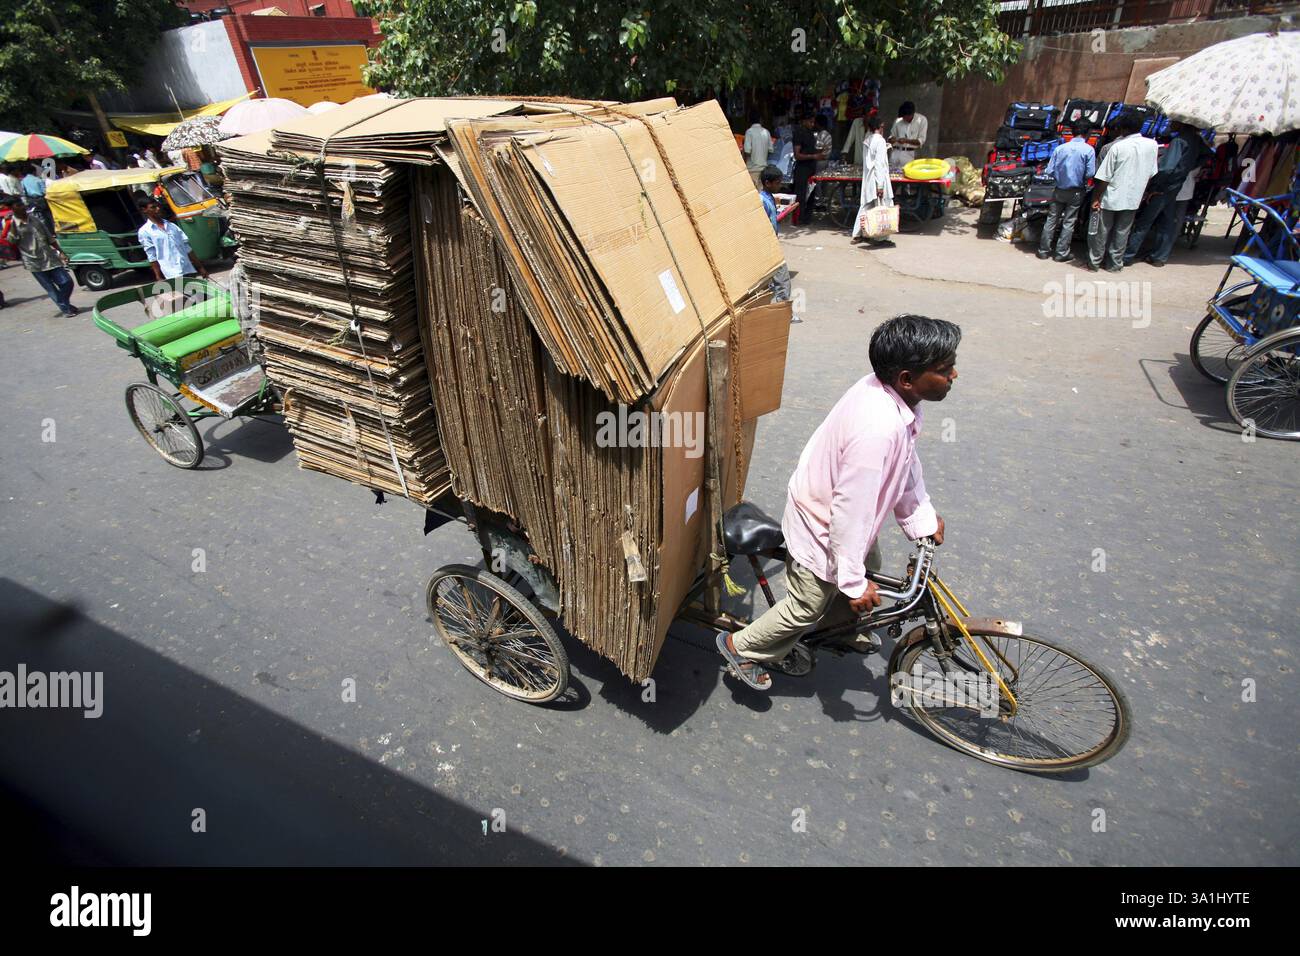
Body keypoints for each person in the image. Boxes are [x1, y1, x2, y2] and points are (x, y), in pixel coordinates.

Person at [716, 314, 957, 690]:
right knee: (807, 603)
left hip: (845, 519)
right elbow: (849, 511)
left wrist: (920, 518)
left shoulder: (891, 396)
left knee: (868, 563)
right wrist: (851, 582)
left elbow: (904, 465)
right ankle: (742, 646)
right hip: (822, 523)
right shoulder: (877, 427)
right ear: (907, 378)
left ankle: (840, 631)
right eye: (945, 370)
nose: (953, 376)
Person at [1123, 123, 1208, 267]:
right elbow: (1206, 155)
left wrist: (1155, 187)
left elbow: (1167, 168)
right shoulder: (1196, 140)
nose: (1169, 124)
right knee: (1167, 222)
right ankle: (1159, 256)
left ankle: (1127, 256)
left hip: (1165, 186)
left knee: (1145, 222)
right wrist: (1187, 168)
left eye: (1172, 122)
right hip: (1176, 185)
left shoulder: (1179, 141)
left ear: (1182, 124)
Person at [1086, 113, 1157, 272]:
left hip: (1111, 197)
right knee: (1122, 233)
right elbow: (1152, 173)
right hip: (1133, 198)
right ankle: (1115, 265)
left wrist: (1096, 198)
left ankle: (1094, 262)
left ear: (1122, 129)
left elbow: (1104, 176)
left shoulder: (1117, 147)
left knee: (1101, 232)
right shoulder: (1152, 145)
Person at [1036, 122, 1097, 262]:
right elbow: (1090, 173)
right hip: (1076, 191)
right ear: (1087, 133)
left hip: (1058, 189)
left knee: (1051, 219)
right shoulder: (1089, 150)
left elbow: (1049, 170)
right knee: (1069, 222)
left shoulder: (1060, 148)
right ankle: (1061, 253)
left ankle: (1043, 250)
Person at [10, 203, 78, 316]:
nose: (23, 211)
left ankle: (63, 303)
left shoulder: (34, 220)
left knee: (67, 282)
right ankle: (66, 309)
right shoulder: (13, 225)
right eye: (19, 210)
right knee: (50, 288)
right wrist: (13, 228)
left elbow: (49, 237)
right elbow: (12, 241)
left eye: (23, 208)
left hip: (49, 257)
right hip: (33, 262)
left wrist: (61, 251)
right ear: (15, 211)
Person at [137, 196, 209, 285]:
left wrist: (200, 268)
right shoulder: (145, 231)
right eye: (153, 207)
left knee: (201, 296)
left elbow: (187, 248)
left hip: (187, 268)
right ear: (144, 210)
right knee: (184, 297)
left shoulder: (171, 226)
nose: (158, 209)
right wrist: (158, 277)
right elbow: (152, 256)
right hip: (172, 273)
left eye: (158, 206)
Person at [850, 115, 894, 247]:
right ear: (880, 127)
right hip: (878, 178)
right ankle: (881, 238)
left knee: (866, 206)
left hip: (869, 178)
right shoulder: (880, 141)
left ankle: (857, 234)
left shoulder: (867, 140)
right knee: (883, 206)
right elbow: (879, 164)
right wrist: (880, 185)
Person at [758, 165, 795, 312]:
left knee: (771, 282)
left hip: (770, 244)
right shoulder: (762, 201)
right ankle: (783, 313)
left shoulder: (768, 198)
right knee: (782, 280)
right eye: (777, 182)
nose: (780, 185)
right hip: (768, 247)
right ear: (767, 183)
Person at [790, 111, 825, 226]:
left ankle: (806, 218)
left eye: (813, 122)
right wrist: (814, 156)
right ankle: (798, 218)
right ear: (804, 121)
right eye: (810, 122)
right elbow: (797, 155)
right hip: (802, 169)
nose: (812, 124)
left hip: (811, 168)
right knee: (800, 194)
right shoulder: (799, 133)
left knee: (810, 193)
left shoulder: (811, 133)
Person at [888, 101, 928, 170]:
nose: (903, 118)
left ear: (911, 114)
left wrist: (907, 141)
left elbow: (921, 141)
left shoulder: (922, 120)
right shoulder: (898, 120)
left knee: (906, 175)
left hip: (910, 154)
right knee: (892, 174)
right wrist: (892, 139)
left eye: (905, 117)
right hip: (896, 152)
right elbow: (890, 137)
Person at [743, 111, 773, 188]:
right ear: (761, 120)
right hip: (763, 168)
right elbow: (771, 150)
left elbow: (747, 151)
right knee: (761, 193)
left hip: (752, 169)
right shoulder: (766, 132)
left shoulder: (749, 132)